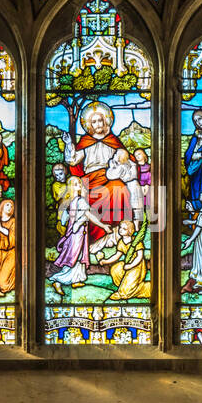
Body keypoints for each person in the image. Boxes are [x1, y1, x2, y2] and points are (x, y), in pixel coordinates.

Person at [64, 101, 131, 241]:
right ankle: (90, 238)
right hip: (90, 179)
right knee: (85, 201)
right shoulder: (86, 141)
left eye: (100, 120)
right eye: (94, 122)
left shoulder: (113, 141)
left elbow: (125, 159)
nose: (98, 124)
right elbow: (73, 160)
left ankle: (116, 231)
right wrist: (69, 144)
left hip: (109, 176)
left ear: (106, 121)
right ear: (90, 125)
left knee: (119, 187)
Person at [48, 177, 111, 287]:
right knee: (76, 254)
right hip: (78, 232)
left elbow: (65, 220)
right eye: (75, 184)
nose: (79, 185)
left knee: (77, 253)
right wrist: (103, 226)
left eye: (79, 183)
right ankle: (63, 280)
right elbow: (88, 216)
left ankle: (76, 279)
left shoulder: (74, 201)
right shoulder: (79, 201)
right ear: (70, 187)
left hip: (77, 231)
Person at [98, 219, 151, 301]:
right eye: (120, 227)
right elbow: (117, 256)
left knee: (125, 293)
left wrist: (130, 265)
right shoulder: (121, 242)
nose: (120, 230)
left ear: (130, 231)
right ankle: (128, 287)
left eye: (124, 229)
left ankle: (146, 288)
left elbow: (139, 257)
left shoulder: (136, 242)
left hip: (137, 267)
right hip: (127, 264)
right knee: (115, 269)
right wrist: (105, 261)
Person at [51, 161, 69, 234]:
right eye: (56, 175)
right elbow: (60, 194)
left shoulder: (69, 182)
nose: (59, 177)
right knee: (63, 223)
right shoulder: (55, 185)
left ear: (65, 172)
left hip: (72, 207)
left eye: (61, 174)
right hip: (62, 207)